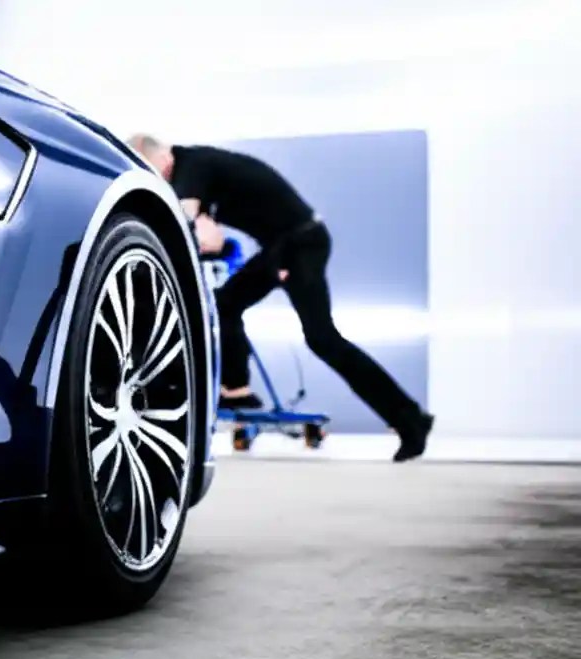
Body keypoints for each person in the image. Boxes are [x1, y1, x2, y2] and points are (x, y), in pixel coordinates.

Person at [129, 134, 434, 462]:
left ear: (161, 160)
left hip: (301, 243)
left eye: (149, 172)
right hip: (280, 247)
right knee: (224, 304)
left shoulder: (192, 164)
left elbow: (183, 222)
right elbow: (209, 239)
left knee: (322, 339)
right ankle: (237, 393)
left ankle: (410, 418)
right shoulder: (195, 172)